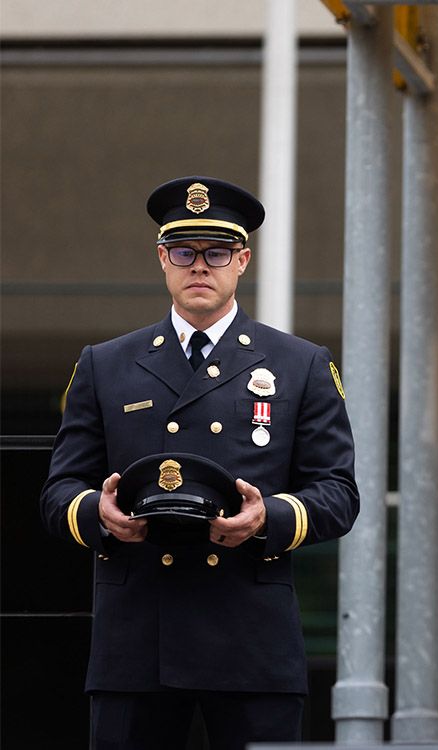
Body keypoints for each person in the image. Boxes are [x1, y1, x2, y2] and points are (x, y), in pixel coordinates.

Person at [40, 176, 360, 749]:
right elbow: (59, 488)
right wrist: (98, 512)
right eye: (184, 253)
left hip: (250, 638)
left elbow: (337, 492)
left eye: (216, 253)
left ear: (242, 260)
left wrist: (267, 519)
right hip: (138, 634)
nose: (199, 268)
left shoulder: (300, 364)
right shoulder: (106, 364)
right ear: (163, 259)